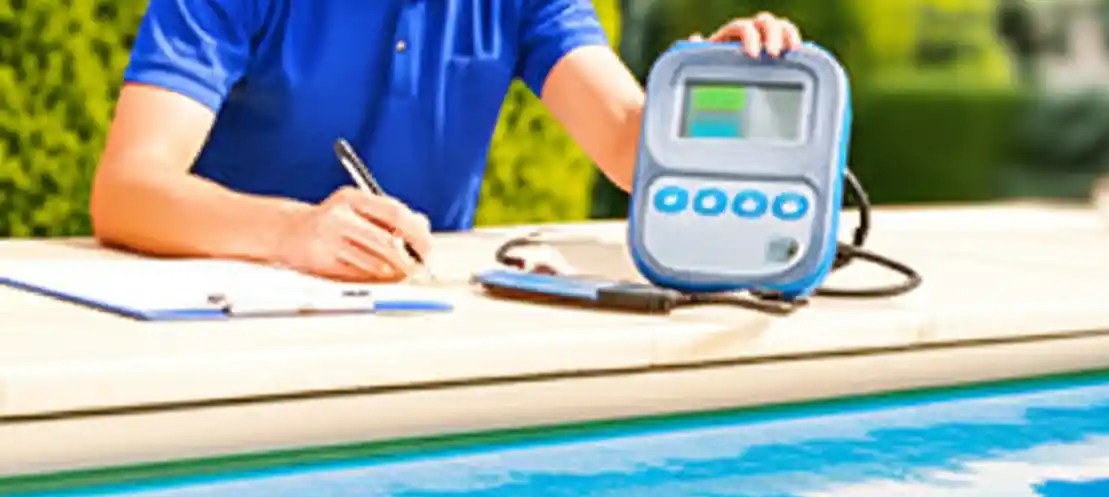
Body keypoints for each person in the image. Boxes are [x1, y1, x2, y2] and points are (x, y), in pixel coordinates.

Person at [90, 0, 804, 282]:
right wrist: (289, 231)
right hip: (235, 322)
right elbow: (128, 189)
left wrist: (708, 89)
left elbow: (627, 148)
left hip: (411, 320)